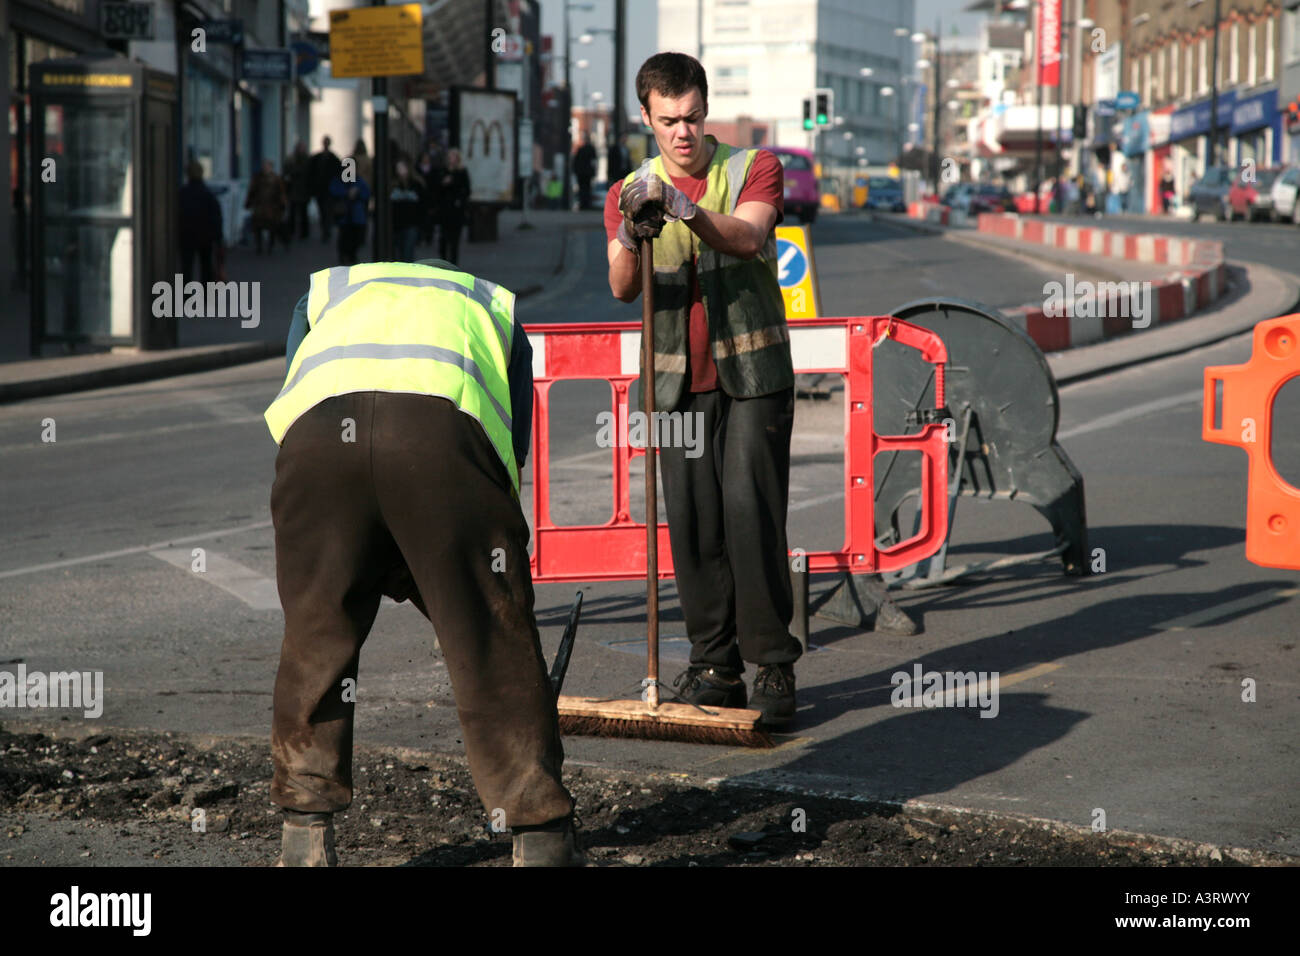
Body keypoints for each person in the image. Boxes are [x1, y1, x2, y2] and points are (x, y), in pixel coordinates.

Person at [265, 258, 581, 867]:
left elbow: (293, 388)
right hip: (438, 447)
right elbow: (508, 450)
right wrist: (498, 574)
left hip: (320, 448)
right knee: (488, 639)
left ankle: (304, 835)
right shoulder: (490, 305)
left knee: (316, 636)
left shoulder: (333, 289)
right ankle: (540, 836)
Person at [604, 52, 801, 728]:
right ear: (646, 118)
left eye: (691, 118)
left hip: (751, 377)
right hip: (670, 384)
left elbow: (748, 236)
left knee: (750, 512)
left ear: (705, 110)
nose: (682, 133)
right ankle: (715, 669)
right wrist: (635, 229)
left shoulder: (754, 168)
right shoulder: (629, 187)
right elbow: (622, 287)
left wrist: (683, 208)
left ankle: (773, 663)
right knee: (691, 528)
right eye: (668, 121)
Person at [179, 160, 223, 284]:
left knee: (186, 266)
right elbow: (216, 217)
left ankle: (185, 295)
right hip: (206, 236)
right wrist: (219, 238)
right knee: (206, 266)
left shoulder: (182, 194)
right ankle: (206, 294)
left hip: (186, 235)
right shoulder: (208, 195)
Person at [329, 158, 371, 266]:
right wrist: (346, 193)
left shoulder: (358, 180)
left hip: (356, 215)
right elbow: (333, 190)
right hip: (344, 214)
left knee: (355, 237)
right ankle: (344, 255)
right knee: (344, 236)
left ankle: (351, 255)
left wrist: (357, 193)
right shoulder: (339, 180)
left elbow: (366, 193)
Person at [245, 158, 287, 255]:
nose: (265, 168)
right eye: (264, 166)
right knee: (258, 227)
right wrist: (248, 203)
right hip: (260, 207)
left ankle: (270, 246)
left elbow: (281, 193)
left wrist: (282, 204)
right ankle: (259, 247)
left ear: (271, 167)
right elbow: (252, 191)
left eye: (267, 166)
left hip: (272, 208)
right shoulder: (258, 178)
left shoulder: (276, 179)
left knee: (272, 227)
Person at [438, 149, 471, 265]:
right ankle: (444, 262)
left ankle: (453, 263)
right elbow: (437, 189)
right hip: (445, 210)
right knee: (443, 239)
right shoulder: (443, 171)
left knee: (454, 240)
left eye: (453, 156)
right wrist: (444, 183)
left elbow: (466, 190)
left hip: (456, 210)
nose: (451, 159)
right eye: (450, 156)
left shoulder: (462, 172)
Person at [390, 159, 426, 262]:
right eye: (398, 168)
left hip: (411, 222)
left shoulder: (416, 183)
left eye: (402, 168)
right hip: (397, 223)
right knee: (398, 252)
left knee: (408, 252)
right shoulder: (393, 184)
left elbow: (422, 203)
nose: (400, 171)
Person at [309, 135, 343, 242]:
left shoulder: (332, 158)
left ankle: (326, 231)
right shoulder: (318, 158)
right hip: (321, 189)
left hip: (328, 190)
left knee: (327, 211)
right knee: (323, 211)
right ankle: (325, 230)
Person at [283, 141, 312, 240]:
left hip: (303, 190)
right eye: (300, 147)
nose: (301, 149)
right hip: (294, 190)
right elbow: (286, 172)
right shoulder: (292, 159)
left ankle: (303, 233)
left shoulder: (308, 160)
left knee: (303, 213)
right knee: (293, 212)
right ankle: (292, 231)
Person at [415, 146, 444, 246]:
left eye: (427, 158)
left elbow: (436, 186)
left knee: (429, 220)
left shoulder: (434, 170)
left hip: (430, 198)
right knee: (419, 219)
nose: (425, 159)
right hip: (419, 199)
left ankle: (428, 237)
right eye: (424, 157)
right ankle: (419, 237)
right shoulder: (417, 170)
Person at [573, 135, 597, 210]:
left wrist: (575, 171)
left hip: (581, 173)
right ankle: (586, 204)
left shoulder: (580, 149)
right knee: (587, 188)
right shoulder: (591, 150)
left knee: (582, 189)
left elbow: (575, 161)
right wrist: (593, 171)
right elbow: (594, 162)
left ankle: (582, 204)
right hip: (588, 173)